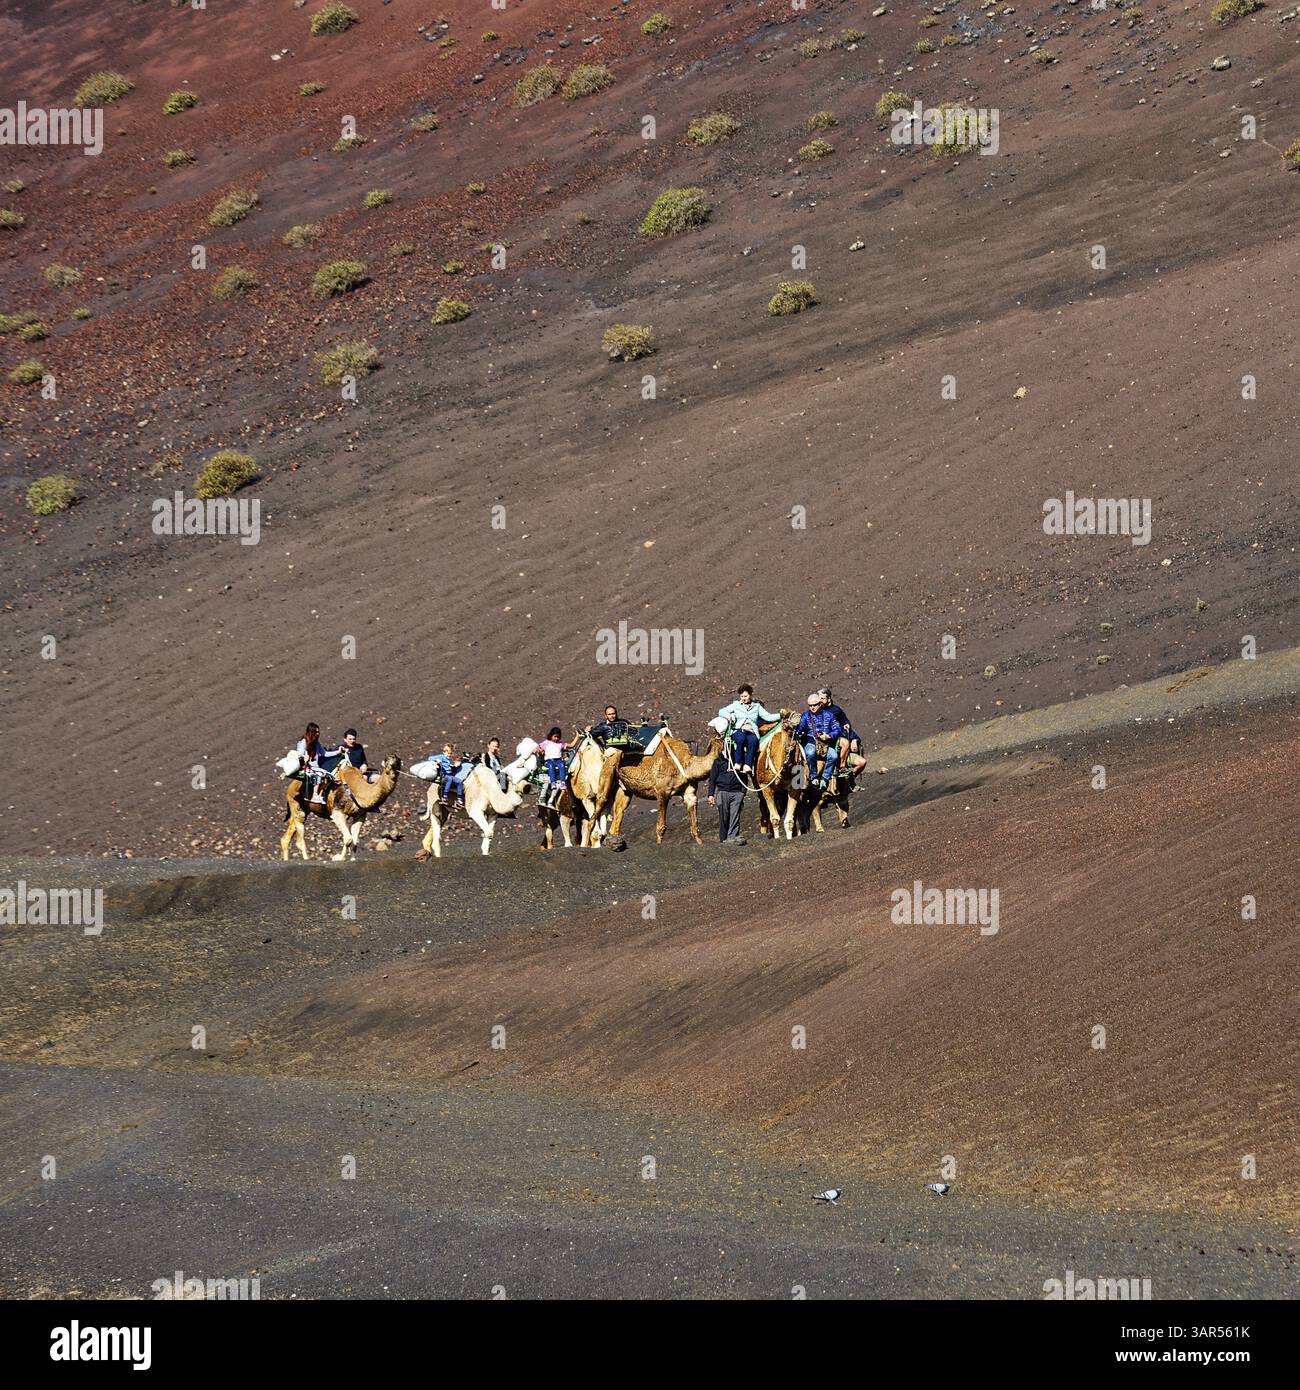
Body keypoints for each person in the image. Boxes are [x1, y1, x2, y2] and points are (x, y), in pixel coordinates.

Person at [715, 683, 781, 775]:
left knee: (753, 741)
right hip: (739, 730)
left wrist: (781, 715)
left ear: (750, 695)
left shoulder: (757, 707)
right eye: (742, 696)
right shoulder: (736, 705)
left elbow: (768, 717)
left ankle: (748, 765)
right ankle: (738, 762)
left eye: (745, 696)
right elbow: (721, 711)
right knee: (740, 738)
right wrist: (728, 716)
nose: (743, 698)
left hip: (751, 731)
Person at [705, 716, 747, 844]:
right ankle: (723, 840)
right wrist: (711, 795)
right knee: (724, 817)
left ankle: (733, 837)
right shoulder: (718, 762)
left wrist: (742, 792)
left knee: (735, 816)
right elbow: (712, 779)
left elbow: (745, 776)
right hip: (722, 792)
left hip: (736, 792)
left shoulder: (738, 760)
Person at [796, 692, 844, 790]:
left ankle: (825, 778)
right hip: (811, 742)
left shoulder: (829, 715)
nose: (812, 707)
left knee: (833, 756)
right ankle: (813, 777)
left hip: (826, 744)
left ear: (820, 704)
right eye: (810, 705)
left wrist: (828, 736)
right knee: (810, 752)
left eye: (814, 705)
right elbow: (799, 729)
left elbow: (838, 730)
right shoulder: (805, 716)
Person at [817, 687, 863, 776]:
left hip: (835, 738)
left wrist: (854, 738)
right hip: (821, 739)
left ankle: (842, 769)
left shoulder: (836, 710)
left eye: (822, 698)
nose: (820, 701)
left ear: (829, 698)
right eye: (819, 698)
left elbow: (845, 722)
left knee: (845, 743)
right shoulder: (816, 709)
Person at [295, 722, 337, 804]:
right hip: (305, 767)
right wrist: (304, 758)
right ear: (311, 732)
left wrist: (337, 752)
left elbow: (324, 753)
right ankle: (314, 795)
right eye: (316, 732)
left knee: (329, 776)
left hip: (314, 767)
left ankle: (320, 795)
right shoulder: (303, 742)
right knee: (320, 774)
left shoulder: (317, 744)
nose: (318, 734)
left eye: (318, 732)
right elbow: (299, 754)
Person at [537, 726, 568, 809]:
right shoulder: (546, 743)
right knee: (546, 783)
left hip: (557, 763)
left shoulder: (560, 744)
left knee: (561, 766)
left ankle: (551, 800)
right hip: (549, 763)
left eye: (558, 737)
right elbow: (539, 747)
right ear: (551, 735)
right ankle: (542, 799)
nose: (556, 738)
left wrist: (577, 737)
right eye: (555, 736)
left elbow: (570, 745)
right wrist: (539, 750)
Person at [434, 742, 467, 807]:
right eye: (448, 753)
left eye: (451, 753)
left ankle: (459, 798)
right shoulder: (441, 757)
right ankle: (445, 795)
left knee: (459, 781)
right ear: (444, 752)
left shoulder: (450, 760)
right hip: (444, 774)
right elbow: (430, 758)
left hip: (450, 774)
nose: (449, 755)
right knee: (450, 779)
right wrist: (437, 760)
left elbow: (452, 767)